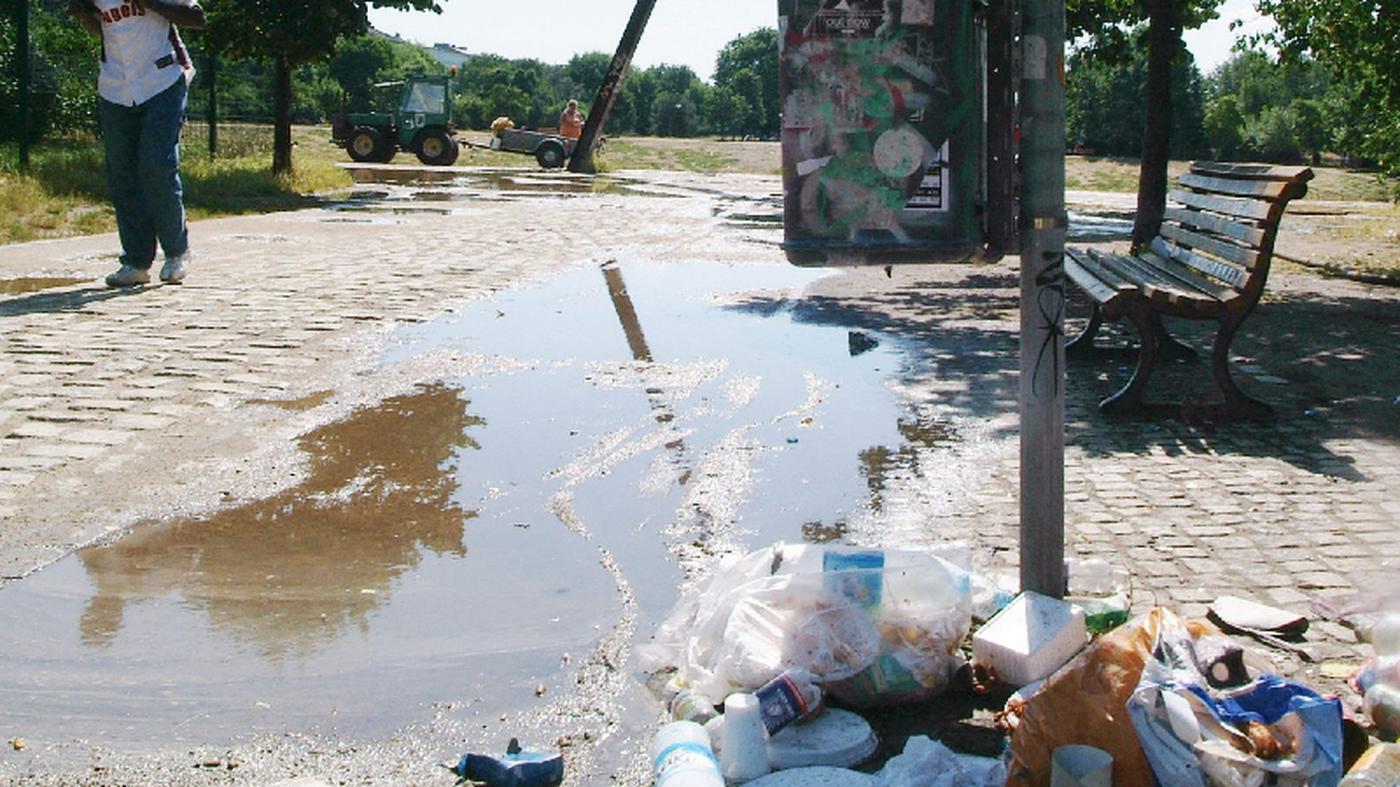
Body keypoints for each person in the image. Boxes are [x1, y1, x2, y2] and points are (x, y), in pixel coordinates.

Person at [68, 0, 205, 288]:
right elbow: (94, 22)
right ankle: (136, 261)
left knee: (157, 163)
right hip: (115, 85)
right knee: (122, 173)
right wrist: (84, 13)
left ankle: (176, 252)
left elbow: (196, 16)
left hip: (163, 79)